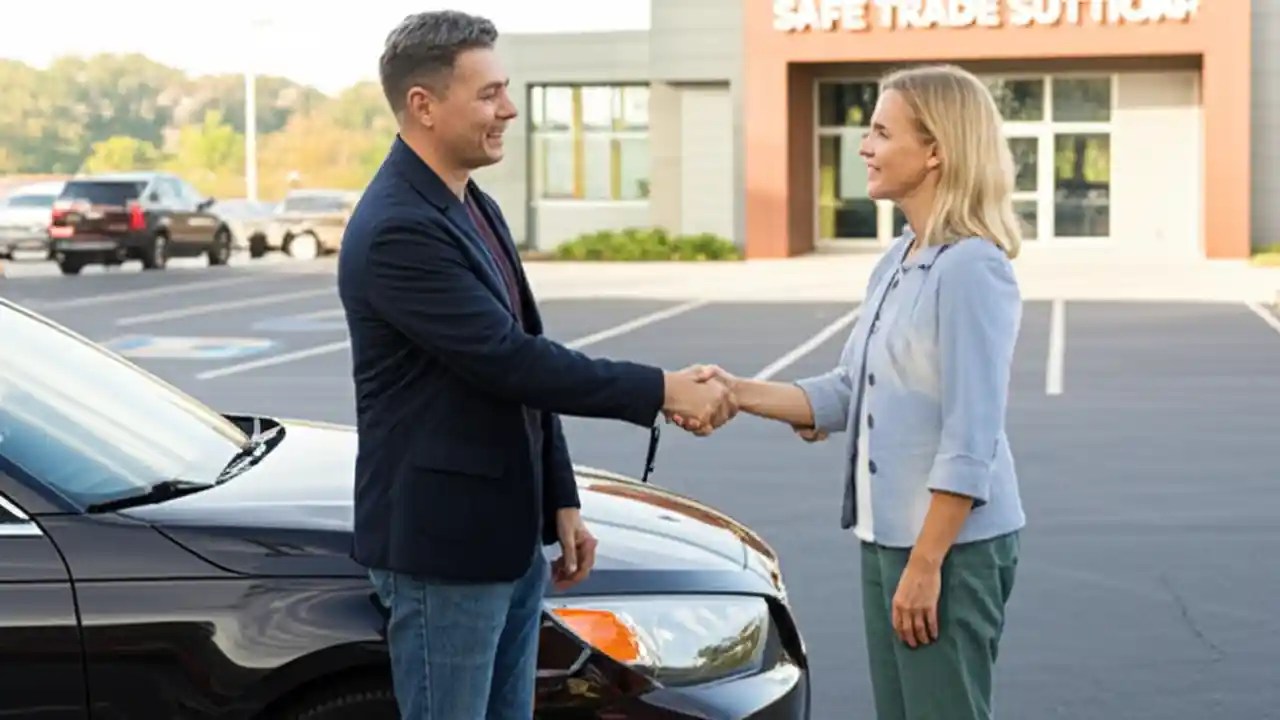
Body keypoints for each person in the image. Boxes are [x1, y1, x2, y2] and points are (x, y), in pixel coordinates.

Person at [336, 11, 736, 720]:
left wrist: (561, 498)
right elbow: (510, 361)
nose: (509, 109)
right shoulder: (399, 227)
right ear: (424, 106)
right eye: (489, 93)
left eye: (507, 90)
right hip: (445, 552)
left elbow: (519, 353)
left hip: (507, 538)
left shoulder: (469, 203)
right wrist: (664, 389)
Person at [673, 64, 1025, 720]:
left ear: (935, 151)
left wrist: (927, 564)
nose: (863, 146)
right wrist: (733, 390)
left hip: (947, 549)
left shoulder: (973, 268)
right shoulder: (898, 259)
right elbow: (844, 391)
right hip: (889, 536)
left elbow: (970, 437)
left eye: (881, 132)